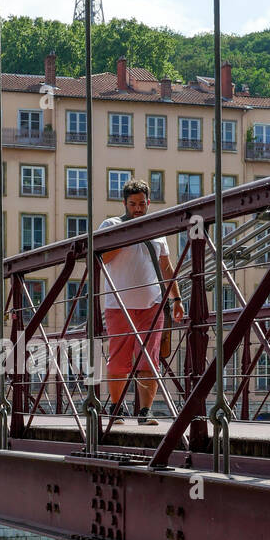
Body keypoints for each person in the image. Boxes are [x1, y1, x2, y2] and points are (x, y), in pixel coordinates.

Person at [98, 180, 184, 425]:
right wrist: (130, 234)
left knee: (149, 359)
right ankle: (117, 409)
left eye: (142, 204)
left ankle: (144, 413)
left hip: (153, 304)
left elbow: (166, 267)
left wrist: (177, 298)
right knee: (119, 359)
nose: (137, 208)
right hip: (118, 305)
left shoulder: (158, 230)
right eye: (133, 204)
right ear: (124, 203)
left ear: (149, 203)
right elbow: (103, 257)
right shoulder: (111, 225)